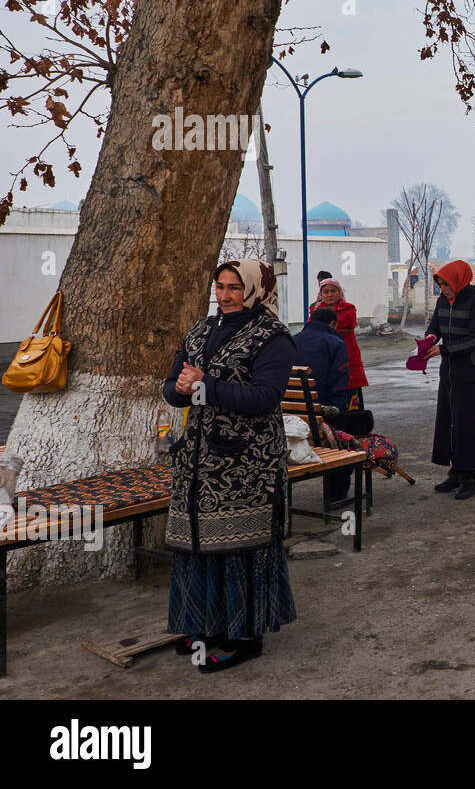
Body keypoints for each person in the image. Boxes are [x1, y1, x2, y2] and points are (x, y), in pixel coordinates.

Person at [161, 259, 296, 673]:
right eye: (219, 286)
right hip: (197, 463)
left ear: (255, 290)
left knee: (239, 548)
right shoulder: (201, 331)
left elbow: (264, 399)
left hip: (245, 466)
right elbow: (172, 388)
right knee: (199, 545)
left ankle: (243, 636)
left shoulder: (272, 338)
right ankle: (205, 624)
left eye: (235, 287)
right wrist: (182, 389)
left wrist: (206, 385)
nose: (225, 296)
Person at [421, 259, 475, 500]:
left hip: (471, 372)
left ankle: (469, 476)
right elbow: (434, 326)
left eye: (446, 284)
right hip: (450, 373)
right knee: (450, 420)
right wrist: (430, 339)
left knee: (469, 424)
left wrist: (443, 350)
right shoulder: (443, 301)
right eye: (441, 285)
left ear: (459, 280)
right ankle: (455, 472)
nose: (443, 289)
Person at [293, 306, 352, 503]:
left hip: (290, 420)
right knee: (346, 439)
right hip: (317, 423)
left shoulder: (292, 340)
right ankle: (336, 495)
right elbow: (339, 384)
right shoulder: (335, 342)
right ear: (332, 324)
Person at [314, 278, 368, 410]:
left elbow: (347, 323)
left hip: (347, 355)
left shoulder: (349, 308)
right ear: (320, 295)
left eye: (333, 291)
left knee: (351, 394)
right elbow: (313, 326)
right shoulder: (316, 310)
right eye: (325, 292)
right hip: (325, 355)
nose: (329, 295)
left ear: (339, 292)